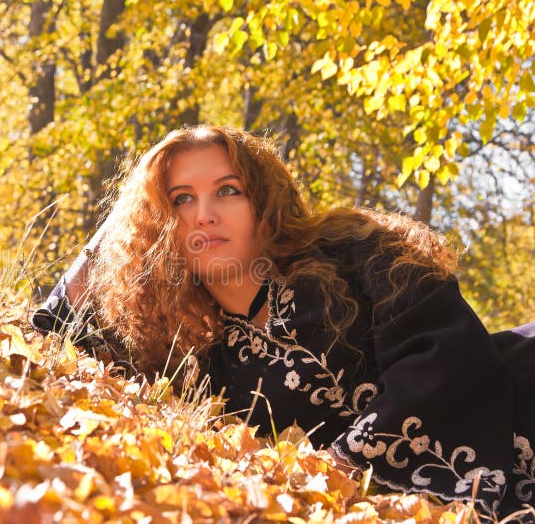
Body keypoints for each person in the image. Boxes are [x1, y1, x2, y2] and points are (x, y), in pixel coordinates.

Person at [30, 125, 535, 519]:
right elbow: (56, 328)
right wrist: (121, 224)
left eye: (227, 190)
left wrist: (339, 464)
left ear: (263, 202)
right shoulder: (196, 361)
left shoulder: (357, 250)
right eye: (181, 199)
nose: (204, 214)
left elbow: (443, 356)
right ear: (158, 224)